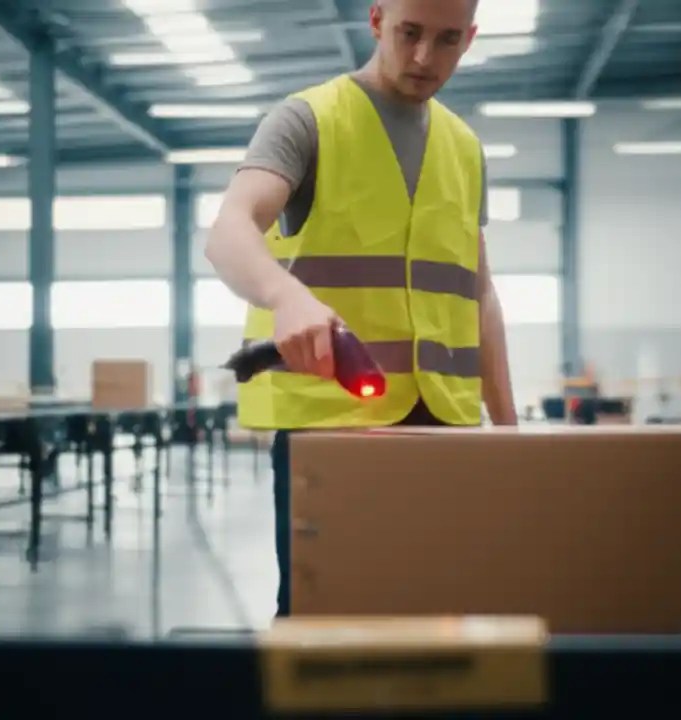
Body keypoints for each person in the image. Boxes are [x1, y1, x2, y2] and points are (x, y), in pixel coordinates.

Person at [204, 0, 517, 619]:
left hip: (445, 427)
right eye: (410, 33)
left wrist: (507, 431)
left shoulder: (464, 148)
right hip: (334, 428)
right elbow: (228, 232)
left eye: (448, 40)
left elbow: (477, 292)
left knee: (442, 624)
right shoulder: (308, 120)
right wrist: (286, 296)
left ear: (471, 38)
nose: (425, 57)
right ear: (376, 20)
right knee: (329, 628)